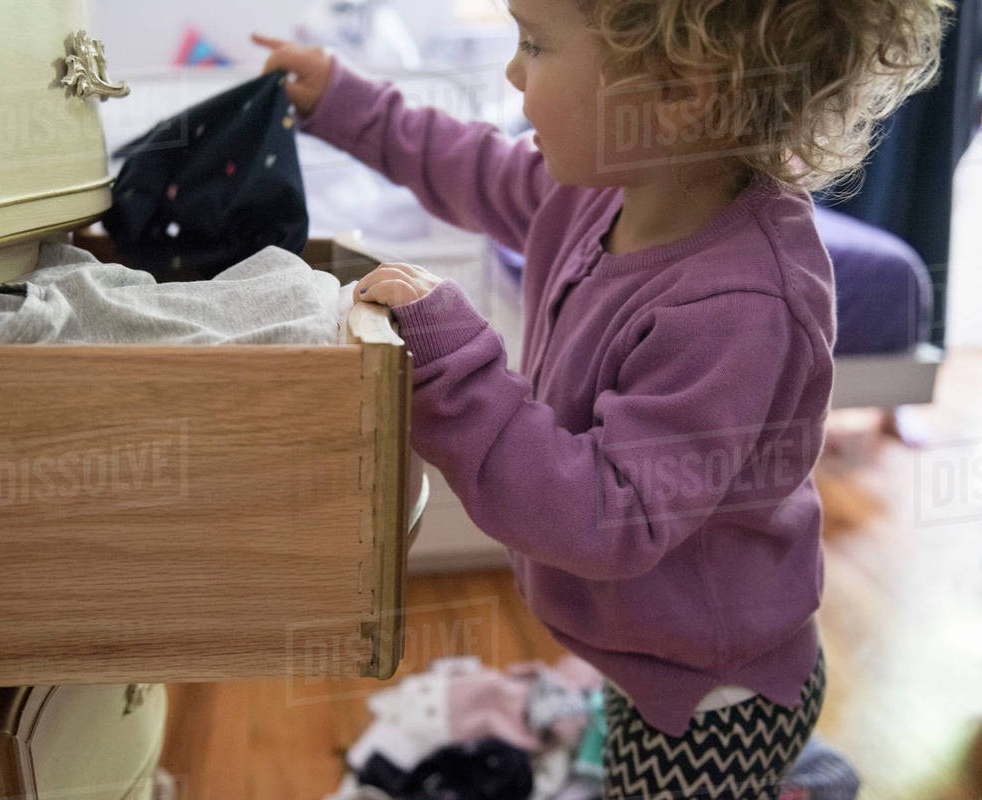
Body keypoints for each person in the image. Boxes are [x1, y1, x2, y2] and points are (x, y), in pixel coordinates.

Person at [252, 0, 948, 795]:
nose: (514, 71)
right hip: (638, 652)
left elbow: (600, 514)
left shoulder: (740, 307)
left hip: (710, 694)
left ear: (683, 92)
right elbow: (470, 166)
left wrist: (455, 364)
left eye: (537, 44)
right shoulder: (600, 192)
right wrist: (348, 102)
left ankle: (790, 776)